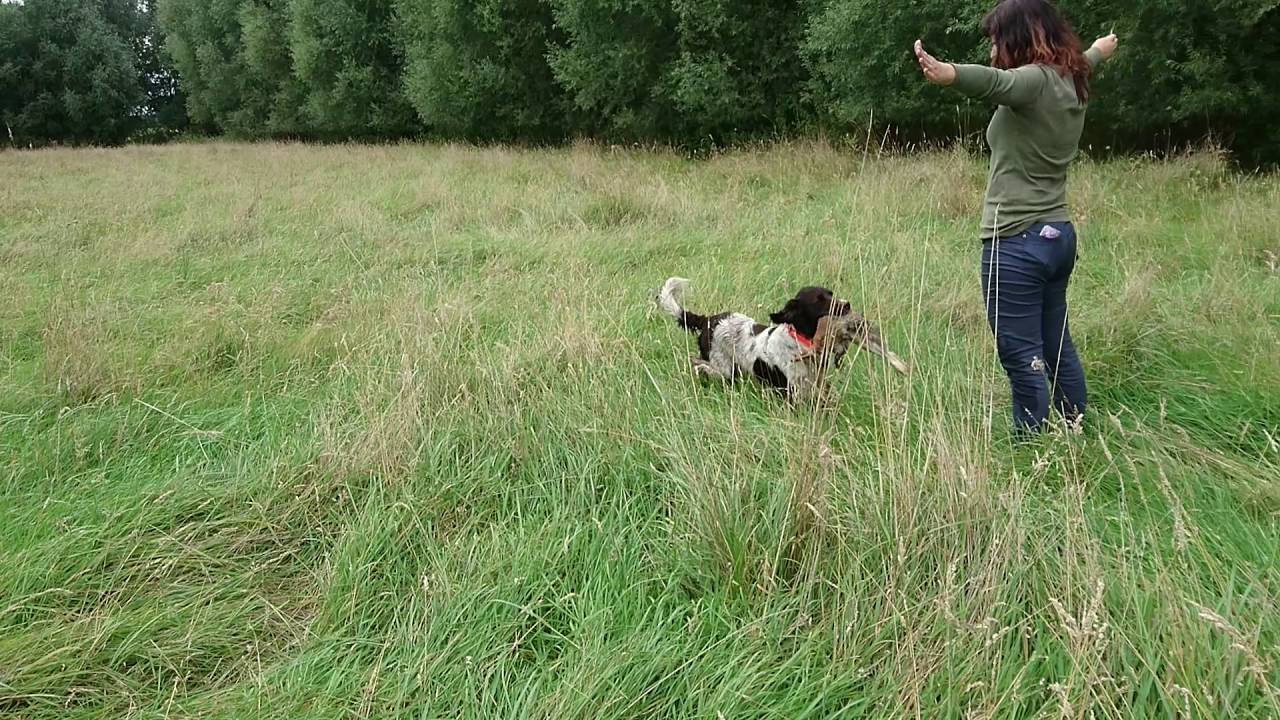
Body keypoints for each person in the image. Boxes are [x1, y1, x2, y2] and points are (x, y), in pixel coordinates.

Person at [913, 0, 1118, 434]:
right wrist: (1103, 47)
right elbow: (1089, 58)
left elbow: (996, 83)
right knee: (1055, 343)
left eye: (995, 40)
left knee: (1021, 353)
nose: (992, 48)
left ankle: (1032, 445)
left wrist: (950, 73)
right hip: (1056, 235)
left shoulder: (1034, 81)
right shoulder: (1072, 76)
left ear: (1018, 39)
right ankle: (1074, 427)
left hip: (1016, 241)